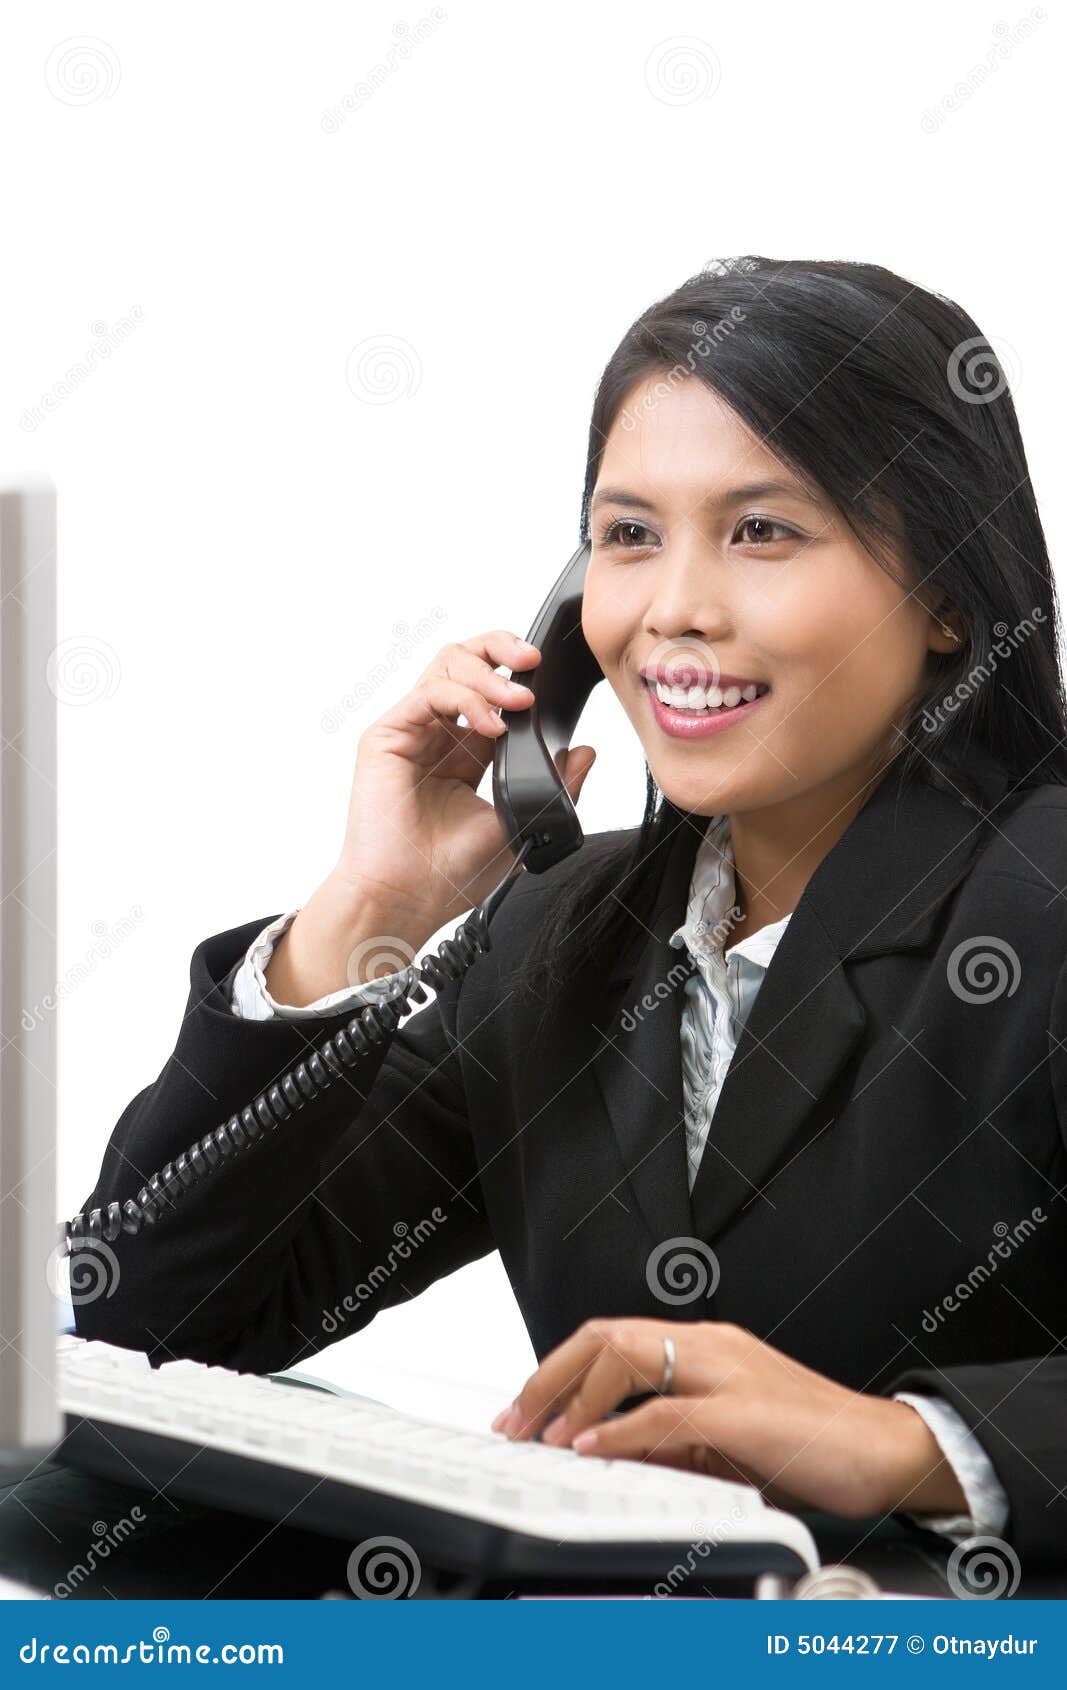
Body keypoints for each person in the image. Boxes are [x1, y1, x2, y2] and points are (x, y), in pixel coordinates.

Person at [74, 257, 1067, 1560]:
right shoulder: (559, 941)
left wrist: (912, 1445)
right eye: (629, 535)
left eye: (762, 530)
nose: (674, 610)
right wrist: (369, 908)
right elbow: (152, 1312)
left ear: (945, 592)